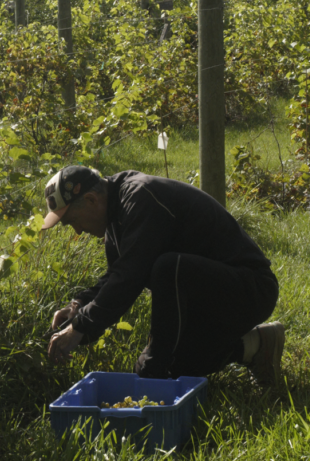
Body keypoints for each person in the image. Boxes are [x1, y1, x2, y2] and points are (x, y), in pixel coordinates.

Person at [43, 165, 284, 388]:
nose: (77, 231)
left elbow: (130, 276)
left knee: (168, 269)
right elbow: (116, 276)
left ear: (91, 199)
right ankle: (258, 345)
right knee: (170, 367)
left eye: (72, 221)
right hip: (209, 297)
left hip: (251, 290)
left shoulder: (140, 197)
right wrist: (78, 306)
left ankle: (160, 369)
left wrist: (80, 327)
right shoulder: (116, 215)